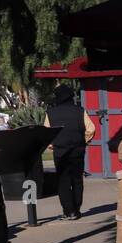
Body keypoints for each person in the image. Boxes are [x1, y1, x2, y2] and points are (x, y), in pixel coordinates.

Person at [42, 85, 95, 221]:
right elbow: (91, 129)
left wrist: (52, 144)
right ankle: (77, 209)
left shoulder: (51, 113)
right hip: (78, 150)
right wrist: (83, 141)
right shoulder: (80, 111)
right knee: (77, 179)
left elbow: (46, 132)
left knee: (63, 181)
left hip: (60, 151)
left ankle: (69, 211)